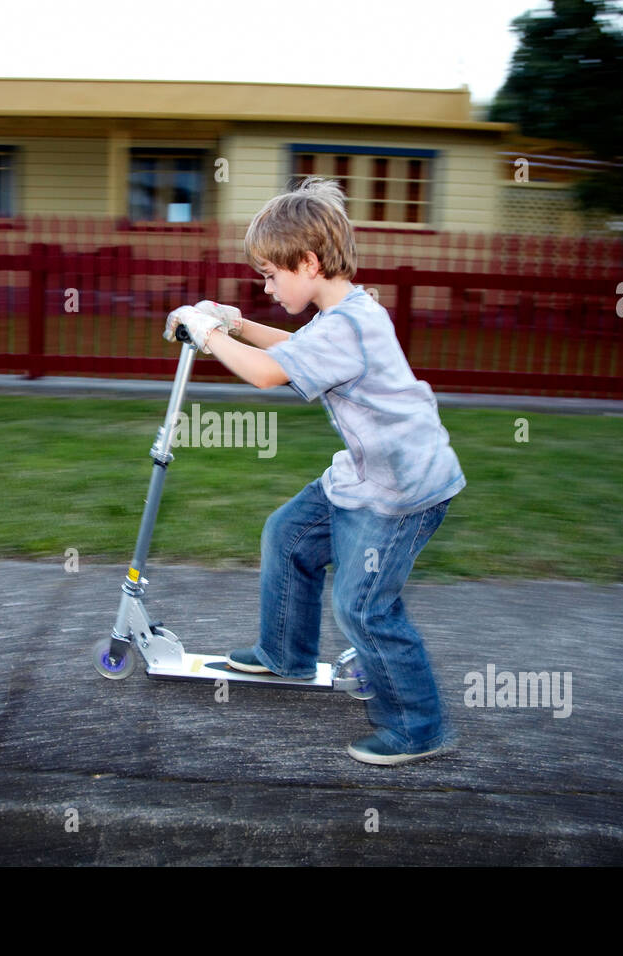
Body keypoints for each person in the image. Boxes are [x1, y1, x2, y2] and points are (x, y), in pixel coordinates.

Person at [164, 177, 466, 766]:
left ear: (308, 261)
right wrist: (236, 324)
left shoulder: (352, 322)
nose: (267, 285)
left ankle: (418, 726)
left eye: (272, 275)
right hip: (367, 472)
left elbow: (268, 374)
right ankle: (284, 652)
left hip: (403, 489)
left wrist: (205, 333)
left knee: (364, 606)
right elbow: (297, 349)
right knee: (290, 534)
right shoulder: (346, 314)